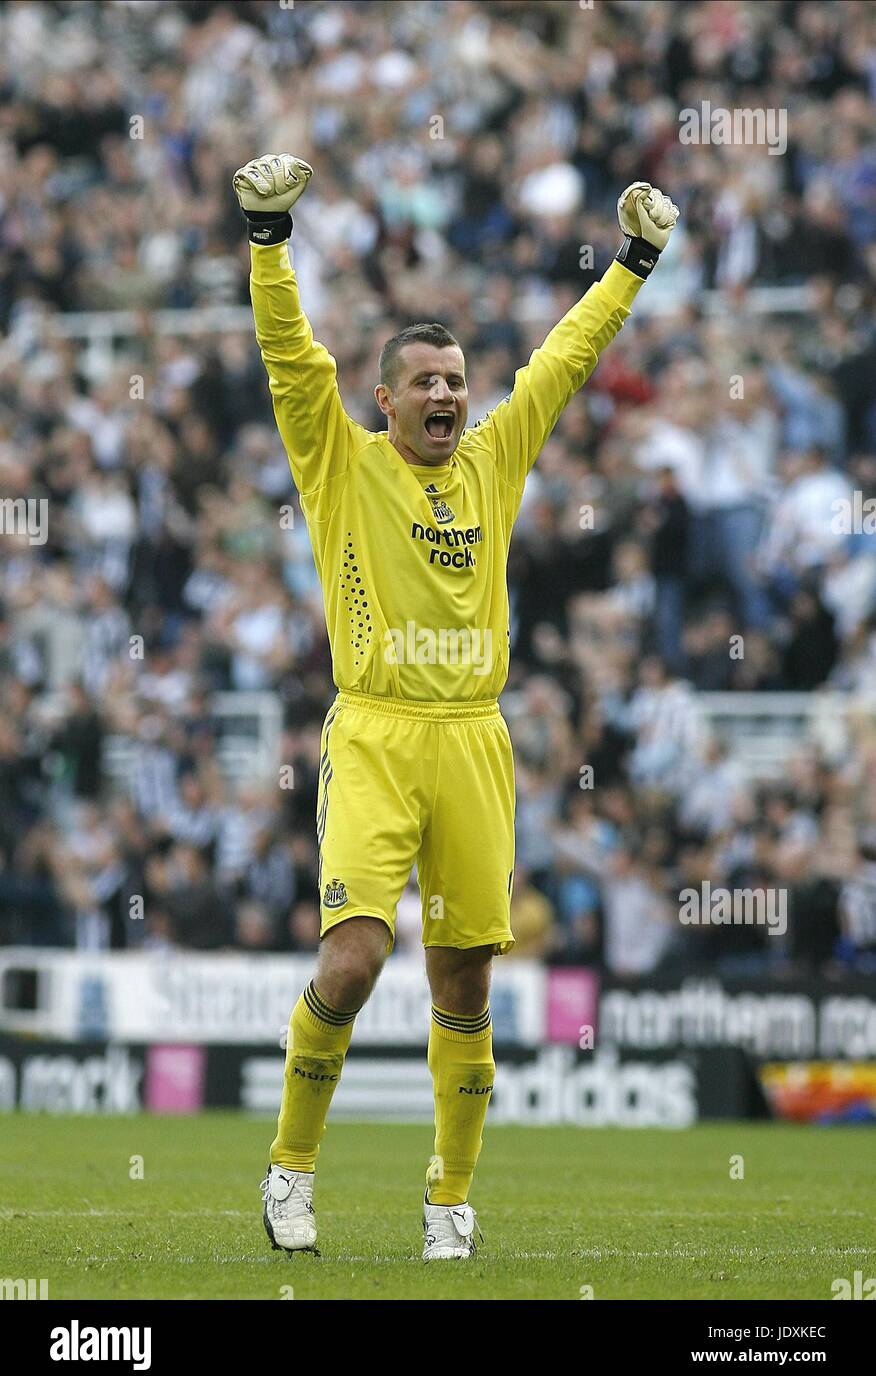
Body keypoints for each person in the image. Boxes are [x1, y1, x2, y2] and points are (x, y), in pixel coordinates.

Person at [232, 153, 678, 1260]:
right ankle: (289, 1172)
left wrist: (634, 262)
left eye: (455, 380)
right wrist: (269, 237)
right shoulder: (339, 462)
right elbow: (293, 361)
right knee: (352, 958)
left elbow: (564, 363)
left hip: (476, 736)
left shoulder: (494, 458)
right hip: (377, 731)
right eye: (423, 381)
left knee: (467, 977)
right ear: (385, 399)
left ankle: (450, 1199)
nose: (445, 395)